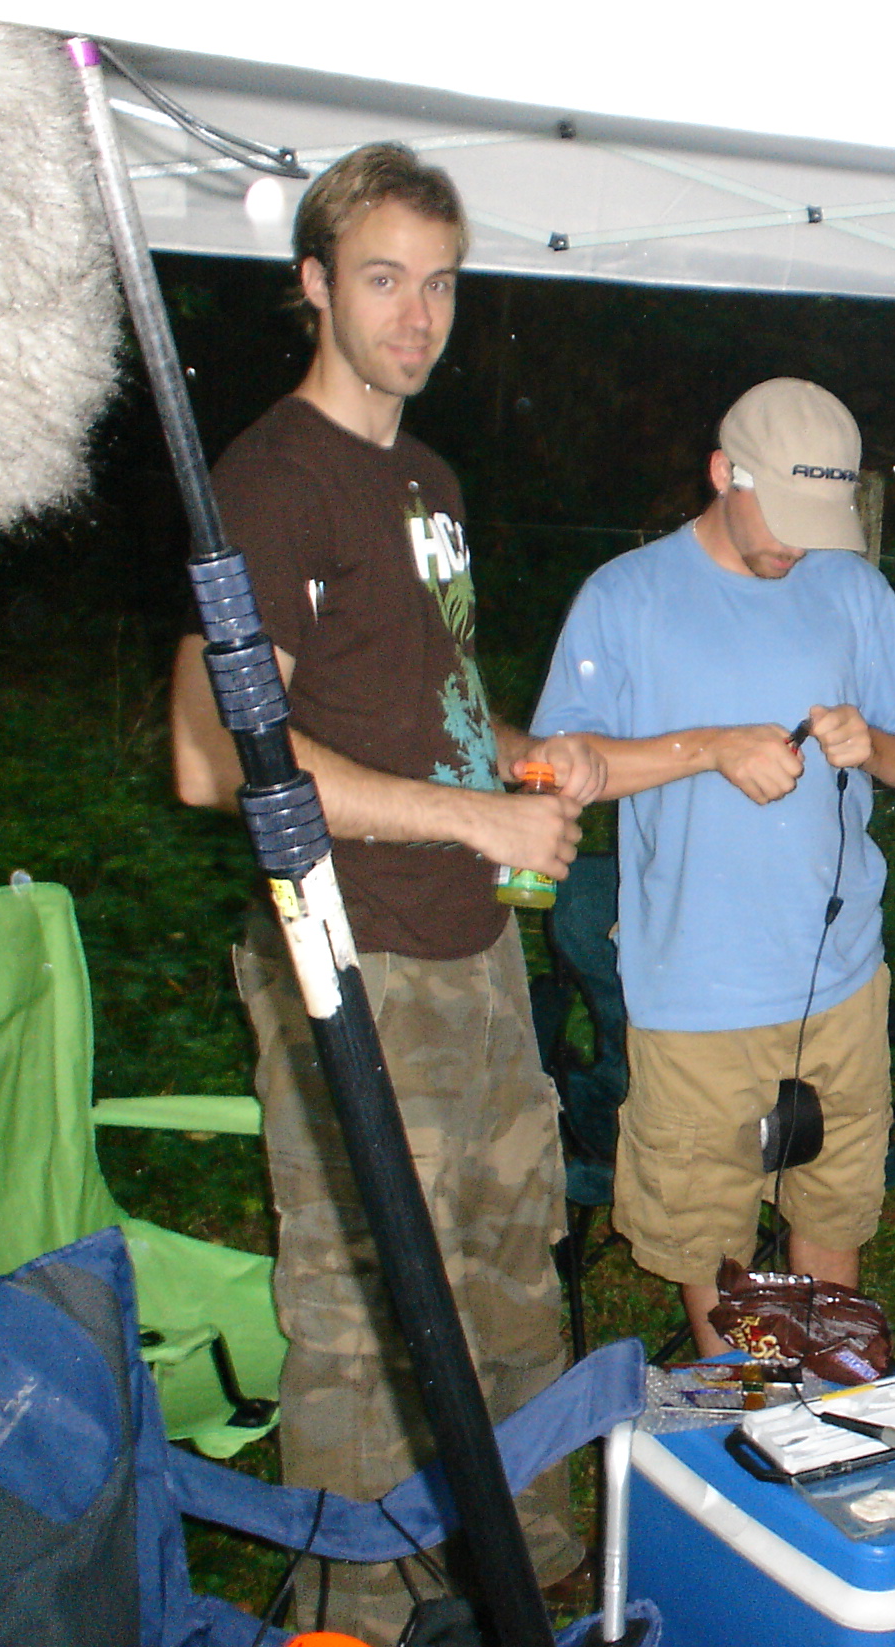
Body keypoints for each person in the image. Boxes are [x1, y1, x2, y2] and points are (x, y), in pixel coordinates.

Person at [168, 143, 598, 1642]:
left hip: (472, 957)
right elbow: (219, 755)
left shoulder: (428, 478)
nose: (418, 316)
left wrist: (531, 772)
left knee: (508, 1276)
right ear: (313, 288)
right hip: (351, 960)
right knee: (360, 1322)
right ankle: (356, 1611)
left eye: (441, 283)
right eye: (383, 280)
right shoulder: (273, 479)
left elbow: (437, 709)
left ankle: (523, 1568)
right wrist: (475, 818)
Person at [530, 377, 895, 1356]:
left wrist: (875, 745)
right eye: (783, 514)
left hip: (841, 985)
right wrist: (708, 747)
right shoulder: (627, 599)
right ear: (723, 473)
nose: (798, 545)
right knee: (710, 1246)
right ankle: (743, 1437)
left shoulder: (853, 589)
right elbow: (551, 768)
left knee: (833, 1215)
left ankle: (821, 1421)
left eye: (819, 519)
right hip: (695, 997)